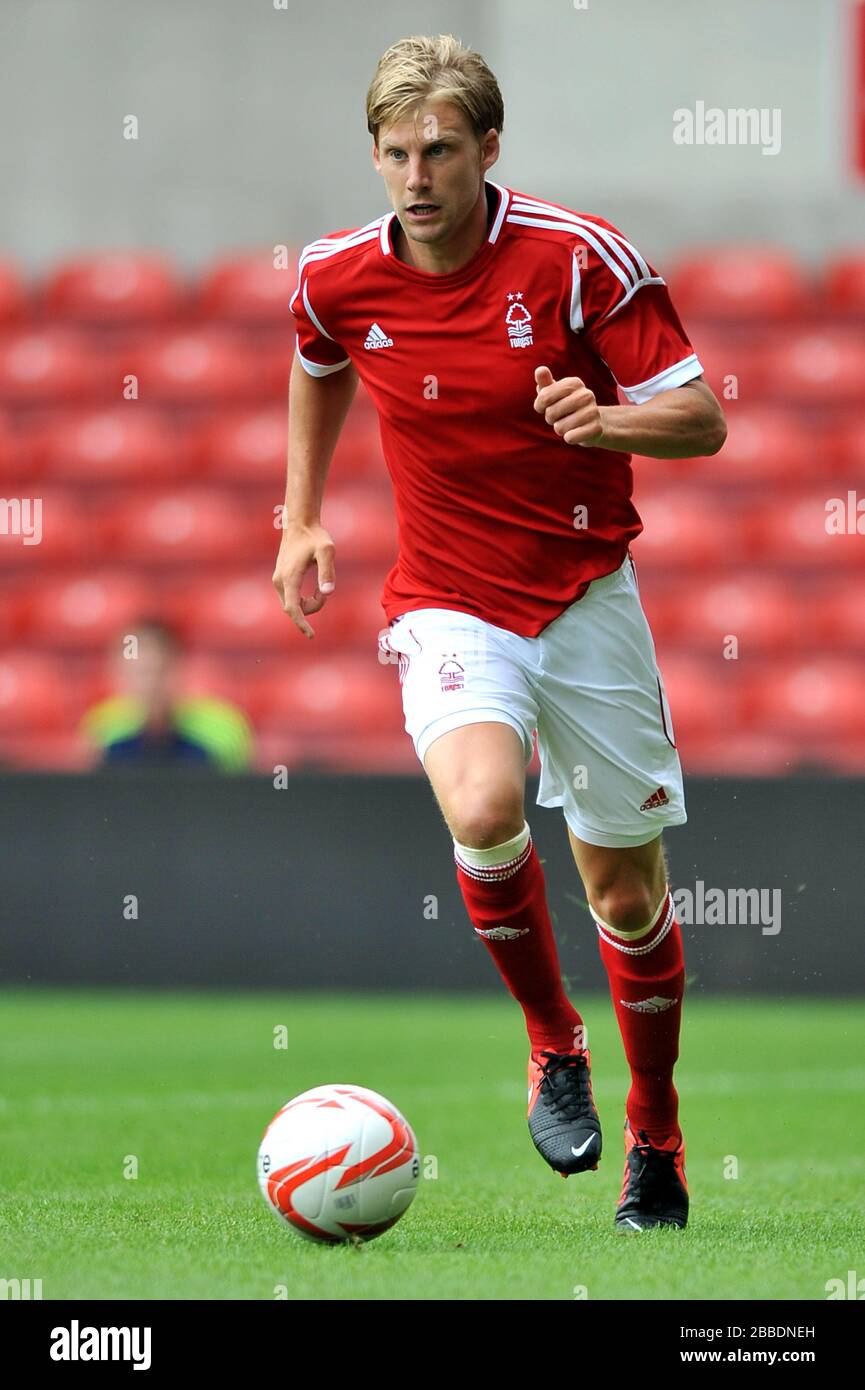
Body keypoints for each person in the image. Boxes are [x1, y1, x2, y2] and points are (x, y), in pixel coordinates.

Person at [272, 34, 727, 1232]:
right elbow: (318, 361)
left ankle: (656, 1137)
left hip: (584, 599)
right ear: (373, 156)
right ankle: (551, 1040)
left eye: (437, 151)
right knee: (481, 807)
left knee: (623, 895)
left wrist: (606, 422)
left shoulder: (576, 261)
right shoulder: (335, 274)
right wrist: (305, 516)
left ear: (487, 147)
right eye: (392, 153)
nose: (414, 177)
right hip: (447, 598)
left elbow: (700, 422)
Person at [81, 618, 253, 771]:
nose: (150, 685)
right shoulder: (102, 729)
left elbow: (240, 799)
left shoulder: (223, 729)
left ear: (179, 669)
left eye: (159, 672)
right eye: (139, 673)